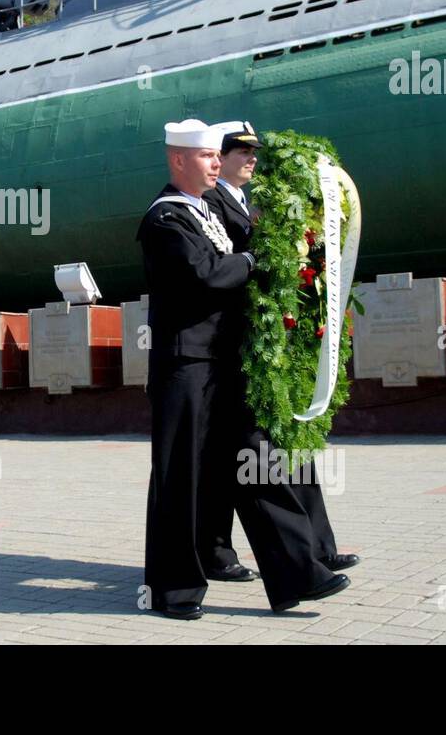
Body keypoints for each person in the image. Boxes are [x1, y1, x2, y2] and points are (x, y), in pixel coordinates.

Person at [138, 120, 347, 618]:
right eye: (208, 156)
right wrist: (255, 261)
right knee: (180, 478)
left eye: (217, 155)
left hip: (225, 364)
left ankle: (300, 572)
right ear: (178, 161)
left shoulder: (205, 210)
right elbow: (205, 274)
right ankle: (174, 590)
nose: (217, 163)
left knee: (260, 466)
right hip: (186, 367)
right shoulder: (165, 218)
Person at [204, 121, 359, 573]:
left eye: (253, 152)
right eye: (241, 152)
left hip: (272, 346)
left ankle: (319, 549)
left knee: (294, 441)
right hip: (237, 350)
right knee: (244, 459)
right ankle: (219, 552)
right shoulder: (208, 205)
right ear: (219, 155)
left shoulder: (247, 203)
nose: (251, 159)